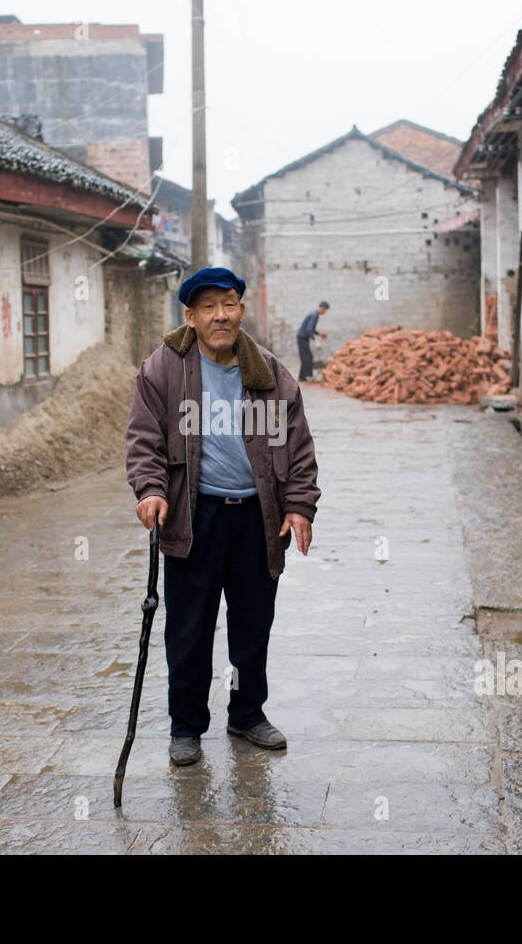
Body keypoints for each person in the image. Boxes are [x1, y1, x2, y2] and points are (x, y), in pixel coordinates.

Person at [125, 266, 322, 766]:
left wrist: (300, 505)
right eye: (208, 307)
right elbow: (144, 438)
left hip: (257, 519)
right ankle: (186, 726)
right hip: (194, 517)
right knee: (189, 628)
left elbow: (297, 446)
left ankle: (247, 712)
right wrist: (150, 490)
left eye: (229, 304)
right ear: (189, 316)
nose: (221, 315)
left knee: (253, 624)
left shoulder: (271, 374)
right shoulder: (164, 369)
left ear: (240, 310)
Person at [296, 301, 330, 381]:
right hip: (302, 337)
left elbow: (311, 329)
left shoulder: (314, 314)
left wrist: (319, 334)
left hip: (303, 337)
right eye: (325, 310)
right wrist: (315, 340)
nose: (325, 312)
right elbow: (308, 330)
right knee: (308, 357)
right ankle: (307, 376)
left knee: (305, 356)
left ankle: (302, 377)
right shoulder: (315, 315)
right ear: (322, 308)